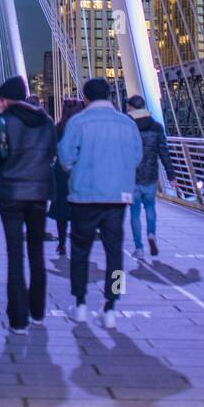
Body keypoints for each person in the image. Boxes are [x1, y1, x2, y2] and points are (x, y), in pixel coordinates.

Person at [57, 77, 142, 328]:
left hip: (84, 196)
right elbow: (136, 156)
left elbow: (65, 157)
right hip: (118, 198)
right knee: (115, 254)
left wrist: (78, 170)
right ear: (110, 95)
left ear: (85, 98)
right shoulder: (127, 124)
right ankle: (111, 307)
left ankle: (81, 304)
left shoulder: (78, 122)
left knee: (80, 252)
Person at [0, 74, 57, 335]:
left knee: (15, 255)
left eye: (0, 100)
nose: (0, 105)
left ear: (7, 100)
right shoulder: (46, 121)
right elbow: (51, 153)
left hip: (12, 194)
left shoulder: (4, 121)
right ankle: (38, 312)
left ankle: (18, 320)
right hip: (39, 195)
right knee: (37, 253)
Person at [126, 93, 176, 259]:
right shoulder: (156, 126)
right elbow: (164, 152)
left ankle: (139, 248)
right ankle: (151, 235)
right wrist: (171, 175)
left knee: (134, 212)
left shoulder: (127, 125)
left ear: (131, 107)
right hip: (150, 175)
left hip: (131, 176)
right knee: (150, 208)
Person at [49, 97, 83, 255]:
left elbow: (52, 150)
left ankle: (61, 243)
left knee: (62, 208)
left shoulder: (58, 128)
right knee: (79, 209)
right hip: (79, 172)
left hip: (61, 172)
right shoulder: (83, 128)